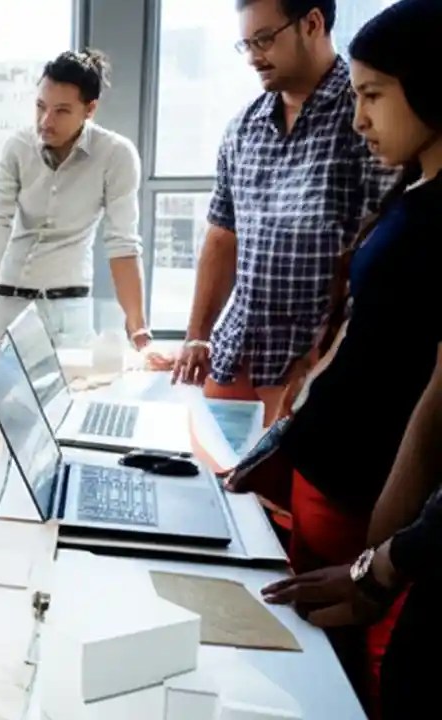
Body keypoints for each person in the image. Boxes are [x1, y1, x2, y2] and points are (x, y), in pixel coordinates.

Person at [233, 1, 442, 714]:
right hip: (329, 484)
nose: (359, 118)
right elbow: (360, 332)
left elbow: (435, 401)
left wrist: (385, 554)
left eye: (373, 95)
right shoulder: (416, 190)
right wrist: (284, 436)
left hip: (376, 509)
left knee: (349, 692)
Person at [172, 0, 395, 424]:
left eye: (264, 39)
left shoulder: (366, 119)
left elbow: (379, 255)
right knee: (204, 480)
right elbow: (223, 234)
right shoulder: (243, 127)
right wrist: (197, 337)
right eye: (247, 44)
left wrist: (326, 358)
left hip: (311, 362)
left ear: (311, 24)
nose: (255, 56)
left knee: (275, 488)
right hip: (237, 354)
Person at [0, 50, 145, 352]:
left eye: (61, 111)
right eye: (41, 106)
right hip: (8, 304)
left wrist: (139, 329)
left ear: (90, 109)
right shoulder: (18, 147)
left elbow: (123, 243)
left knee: (74, 395)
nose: (46, 121)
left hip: (68, 310)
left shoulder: (116, 155)